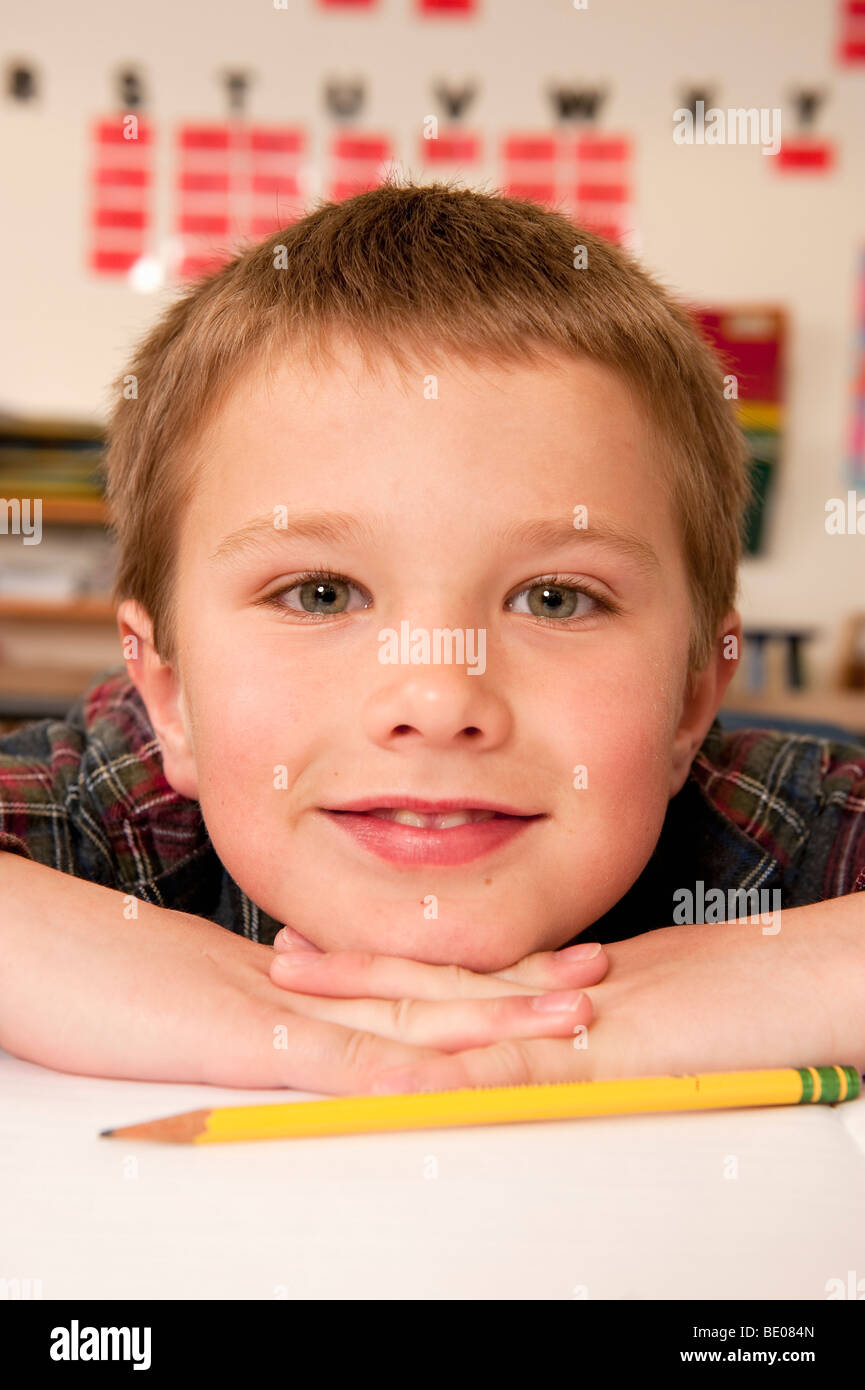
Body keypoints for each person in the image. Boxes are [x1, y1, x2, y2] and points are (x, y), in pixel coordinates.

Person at [2, 179, 863, 1096]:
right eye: (322, 594)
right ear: (169, 699)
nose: (439, 698)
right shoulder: (116, 808)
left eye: (554, 600)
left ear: (693, 693)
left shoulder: (772, 826)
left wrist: (797, 972)